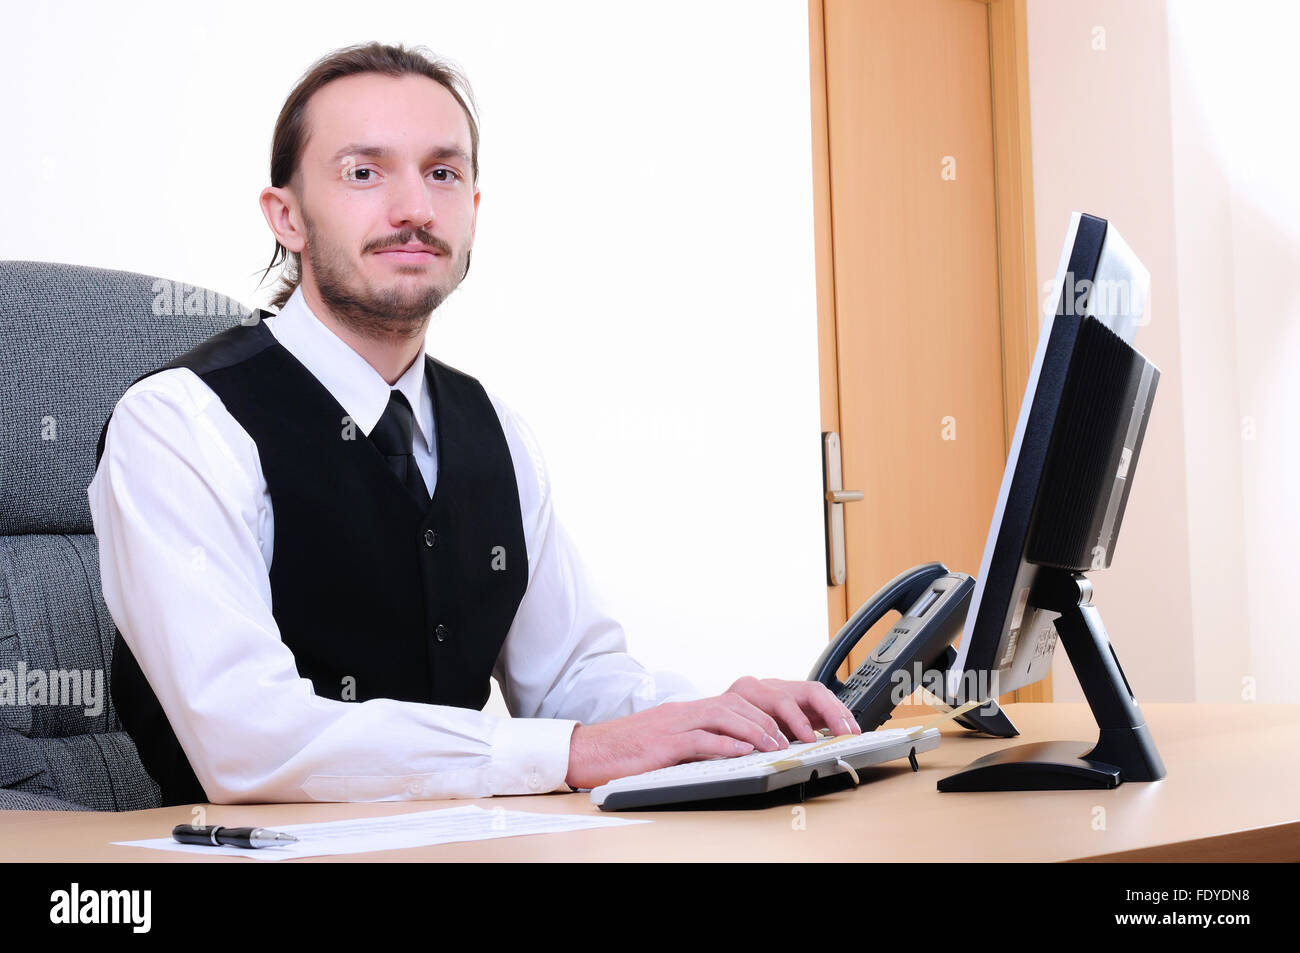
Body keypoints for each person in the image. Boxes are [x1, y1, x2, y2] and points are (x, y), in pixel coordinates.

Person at [88, 41, 859, 807]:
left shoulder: (495, 431)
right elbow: (249, 740)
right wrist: (577, 751)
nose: (414, 209)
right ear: (285, 216)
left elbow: (571, 679)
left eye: (442, 173)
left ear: (473, 213)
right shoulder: (178, 424)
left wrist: (721, 718)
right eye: (364, 172)